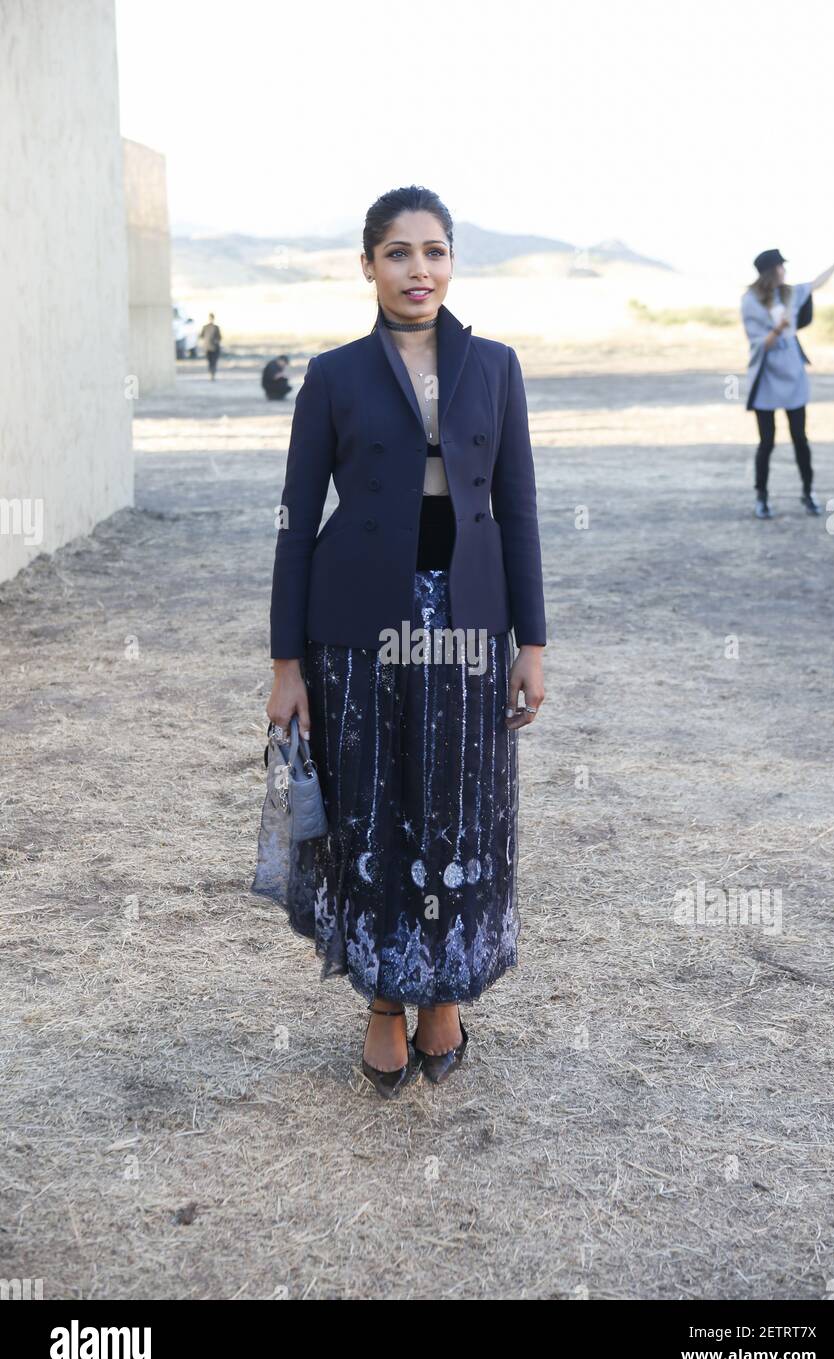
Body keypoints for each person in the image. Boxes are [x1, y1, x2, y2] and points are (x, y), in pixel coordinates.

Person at [262, 185, 547, 1098]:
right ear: (369, 266)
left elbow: (520, 514)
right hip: (355, 633)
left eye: (434, 251)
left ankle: (446, 997)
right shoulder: (334, 374)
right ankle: (386, 1002)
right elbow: (295, 521)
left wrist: (531, 643)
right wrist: (285, 663)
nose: (417, 269)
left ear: (453, 260)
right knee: (375, 813)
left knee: (461, 811)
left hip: (468, 625)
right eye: (398, 253)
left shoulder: (497, 366)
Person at [741, 245, 834, 518]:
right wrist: (778, 329)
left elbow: (817, 283)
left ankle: (808, 493)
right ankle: (761, 497)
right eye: (781, 266)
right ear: (770, 271)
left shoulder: (790, 293)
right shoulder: (750, 301)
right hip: (766, 378)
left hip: (793, 375)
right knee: (767, 442)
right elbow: (758, 344)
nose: (785, 270)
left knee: (800, 439)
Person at [198, 313, 222, 380]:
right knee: (211, 362)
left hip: (213, 347)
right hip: (209, 347)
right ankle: (211, 374)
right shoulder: (206, 327)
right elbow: (201, 336)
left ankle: (212, 374)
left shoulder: (215, 327)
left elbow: (219, 338)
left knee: (213, 362)